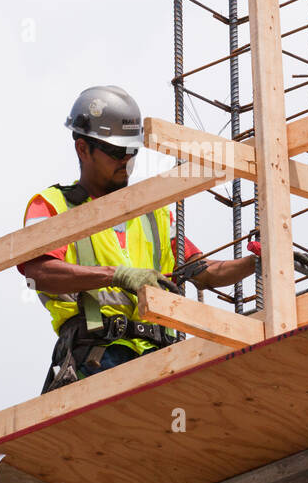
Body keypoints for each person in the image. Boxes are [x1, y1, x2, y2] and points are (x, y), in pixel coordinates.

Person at [17, 85, 256, 393]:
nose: (127, 161)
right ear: (82, 149)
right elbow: (40, 274)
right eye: (117, 152)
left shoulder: (153, 212)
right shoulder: (53, 205)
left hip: (160, 357)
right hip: (97, 358)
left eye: (132, 151)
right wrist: (117, 276)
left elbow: (203, 272)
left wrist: (257, 262)